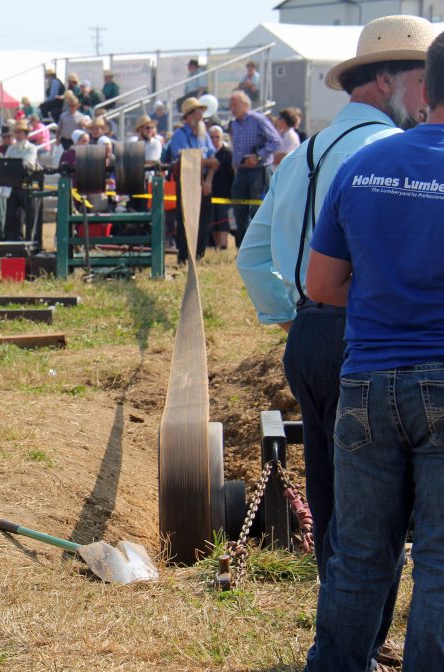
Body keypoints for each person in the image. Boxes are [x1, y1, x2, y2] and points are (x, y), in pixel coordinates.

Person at [236, 16, 435, 669]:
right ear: (388, 81)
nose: (423, 92)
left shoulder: (310, 153)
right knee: (402, 527)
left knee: (342, 516)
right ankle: (378, 649)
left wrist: (298, 315)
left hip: (322, 340)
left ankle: (346, 650)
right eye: (418, 77)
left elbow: (258, 258)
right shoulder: (389, 150)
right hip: (389, 344)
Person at [303, 27, 444, 671]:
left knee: (359, 554)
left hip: (365, 381)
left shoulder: (362, 166)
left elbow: (322, 285)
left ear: (426, 88)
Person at [167, 98, 218, 264]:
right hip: (187, 182)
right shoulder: (179, 136)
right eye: (197, 113)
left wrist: (208, 181)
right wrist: (204, 162)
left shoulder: (204, 135)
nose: (201, 116)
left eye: (201, 113)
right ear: (189, 116)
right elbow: (187, 160)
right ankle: (184, 257)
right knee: (185, 221)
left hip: (205, 184)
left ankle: (199, 256)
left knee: (204, 220)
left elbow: (214, 162)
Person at [228, 90, 280, 248]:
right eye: (230, 105)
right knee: (239, 211)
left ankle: (260, 248)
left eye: (235, 105)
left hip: (258, 170)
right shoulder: (234, 124)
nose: (232, 109)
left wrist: (258, 156)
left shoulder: (258, 120)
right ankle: (243, 248)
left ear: (245, 105)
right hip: (241, 172)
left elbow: (276, 141)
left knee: (258, 211)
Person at [3, 118, 38, 241]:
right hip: (13, 185)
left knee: (30, 214)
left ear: (26, 134)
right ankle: (14, 239)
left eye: (20, 132)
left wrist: (13, 165)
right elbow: (6, 164)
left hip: (27, 184)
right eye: (16, 132)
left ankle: (31, 238)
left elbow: (28, 163)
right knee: (13, 214)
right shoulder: (11, 148)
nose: (18, 135)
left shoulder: (32, 148)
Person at [207, 125, 233, 250]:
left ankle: (223, 245)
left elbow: (232, 173)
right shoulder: (207, 153)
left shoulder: (228, 153)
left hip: (224, 192)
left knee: (223, 220)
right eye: (211, 137)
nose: (214, 140)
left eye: (217, 137)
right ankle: (216, 247)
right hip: (210, 192)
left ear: (222, 137)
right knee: (212, 220)